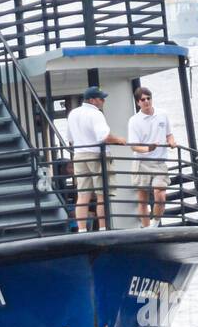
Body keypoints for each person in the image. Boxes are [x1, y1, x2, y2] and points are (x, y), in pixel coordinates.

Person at [66, 86, 128, 232]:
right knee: (102, 195)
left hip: (79, 155)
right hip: (96, 155)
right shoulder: (96, 114)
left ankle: (82, 230)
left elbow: (70, 139)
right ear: (92, 100)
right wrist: (119, 140)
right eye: (101, 98)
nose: (103, 101)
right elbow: (104, 137)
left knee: (82, 195)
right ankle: (103, 228)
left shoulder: (73, 113)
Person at [128, 86, 177, 228]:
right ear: (138, 102)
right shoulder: (134, 120)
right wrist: (148, 148)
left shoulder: (162, 114)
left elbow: (169, 134)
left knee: (160, 195)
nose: (146, 101)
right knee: (142, 199)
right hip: (142, 161)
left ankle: (154, 225)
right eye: (143, 99)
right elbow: (133, 146)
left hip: (159, 162)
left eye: (148, 98)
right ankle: (146, 228)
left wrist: (171, 142)